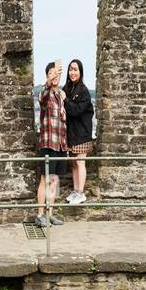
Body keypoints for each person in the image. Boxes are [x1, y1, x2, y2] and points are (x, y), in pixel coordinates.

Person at [35, 58, 66, 228]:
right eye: (51, 74)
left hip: (59, 144)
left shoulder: (60, 96)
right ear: (47, 76)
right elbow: (42, 94)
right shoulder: (45, 94)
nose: (55, 77)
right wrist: (49, 80)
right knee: (44, 179)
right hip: (48, 144)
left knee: (54, 180)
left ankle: (49, 214)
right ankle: (40, 215)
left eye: (57, 74)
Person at [63, 59, 93, 205]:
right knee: (74, 163)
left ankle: (81, 193)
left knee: (80, 163)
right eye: (70, 69)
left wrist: (65, 100)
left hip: (82, 134)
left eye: (75, 69)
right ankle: (75, 191)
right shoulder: (68, 88)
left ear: (80, 72)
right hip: (72, 134)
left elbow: (76, 111)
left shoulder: (83, 91)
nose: (72, 72)